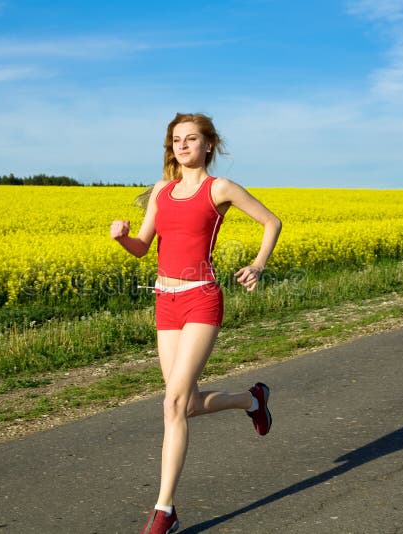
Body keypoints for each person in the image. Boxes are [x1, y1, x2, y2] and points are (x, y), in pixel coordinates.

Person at [110, 112, 282, 534]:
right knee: (183, 404)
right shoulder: (160, 193)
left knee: (171, 405)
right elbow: (143, 246)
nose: (182, 146)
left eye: (190, 139)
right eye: (175, 140)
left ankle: (164, 511)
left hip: (201, 299)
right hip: (164, 301)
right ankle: (251, 399)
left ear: (208, 145)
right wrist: (121, 238)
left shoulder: (218, 188)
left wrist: (258, 265)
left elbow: (271, 222)